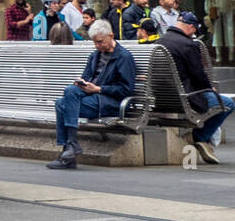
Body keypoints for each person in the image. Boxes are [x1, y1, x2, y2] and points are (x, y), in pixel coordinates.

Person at [48, 18, 139, 168]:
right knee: (69, 91)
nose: (97, 45)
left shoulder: (124, 57)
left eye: (100, 41)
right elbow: (86, 76)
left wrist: (98, 89)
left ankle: (69, 150)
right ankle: (71, 147)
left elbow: (125, 90)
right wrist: (81, 83)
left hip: (110, 102)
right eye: (95, 42)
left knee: (61, 105)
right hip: (92, 97)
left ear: (111, 35)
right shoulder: (95, 55)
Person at [158, 11, 235, 163]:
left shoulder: (160, 41)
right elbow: (198, 75)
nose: (194, 34)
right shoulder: (188, 45)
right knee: (227, 103)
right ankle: (199, 137)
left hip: (162, 97)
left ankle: (202, 140)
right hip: (186, 97)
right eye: (194, 31)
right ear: (191, 27)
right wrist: (209, 87)